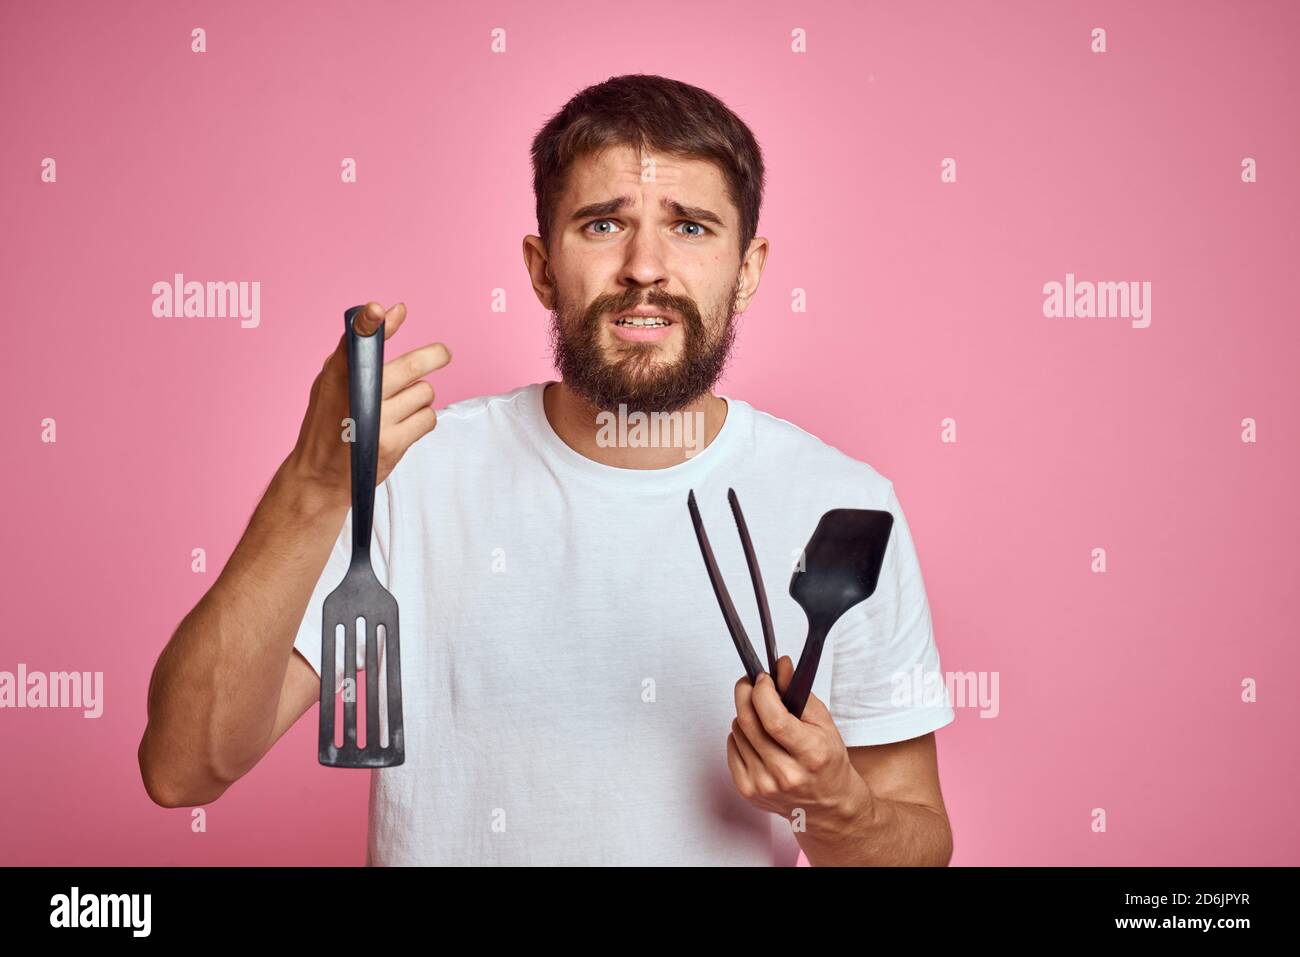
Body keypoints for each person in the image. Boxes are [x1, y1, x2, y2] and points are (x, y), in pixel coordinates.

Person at [139, 74, 956, 866]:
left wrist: (836, 803)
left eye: (692, 227)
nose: (645, 266)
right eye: (603, 225)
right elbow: (183, 768)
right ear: (540, 267)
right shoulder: (410, 477)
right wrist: (312, 484)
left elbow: (916, 845)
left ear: (747, 270)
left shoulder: (842, 504)